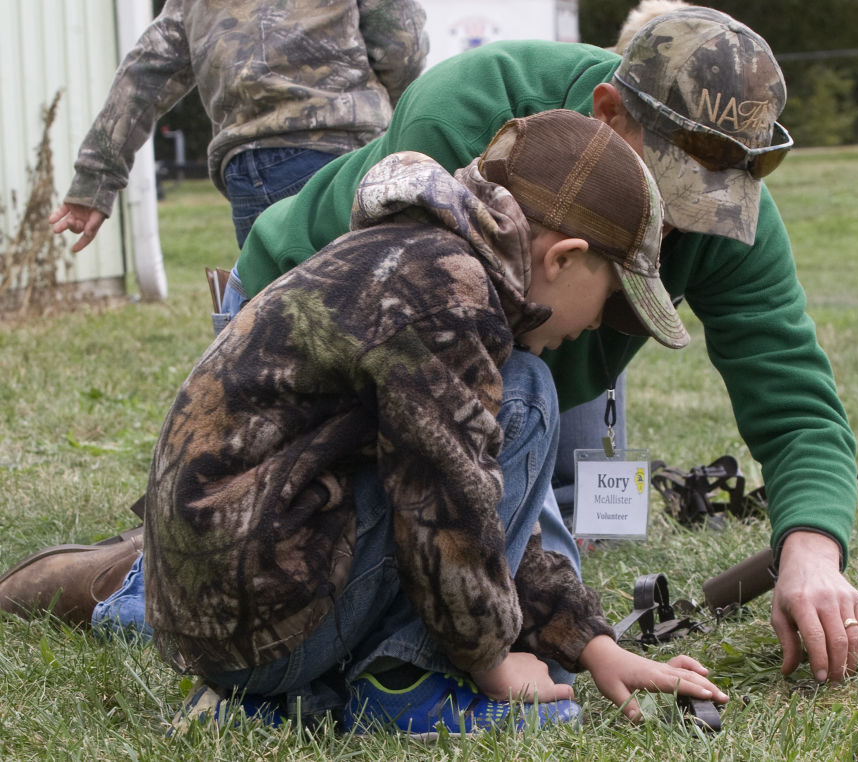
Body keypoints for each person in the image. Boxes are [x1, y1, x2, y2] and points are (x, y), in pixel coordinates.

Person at [3, 7, 858, 687]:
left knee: (532, 574)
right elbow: (444, 451)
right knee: (404, 558)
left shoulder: (724, 213)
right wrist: (493, 656)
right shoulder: (475, 111)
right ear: (607, 113)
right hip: (319, 332)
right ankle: (146, 585)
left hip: (514, 368)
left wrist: (810, 552)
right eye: (675, 195)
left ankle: (187, 558)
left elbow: (796, 401)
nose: (691, 223)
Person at [144, 109, 722, 731]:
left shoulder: (414, 257)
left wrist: (590, 643)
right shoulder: (448, 294)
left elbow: (494, 510)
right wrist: (490, 660)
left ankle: (275, 703)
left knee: (508, 401)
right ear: (563, 257)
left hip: (224, 616)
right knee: (528, 391)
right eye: (610, 296)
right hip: (261, 616)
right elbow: (450, 503)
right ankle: (404, 687)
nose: (597, 324)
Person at [48, 0, 428, 251]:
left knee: (277, 325)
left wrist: (94, 180)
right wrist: (392, 110)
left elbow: (147, 70)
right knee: (363, 313)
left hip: (252, 168)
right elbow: (402, 46)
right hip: (344, 149)